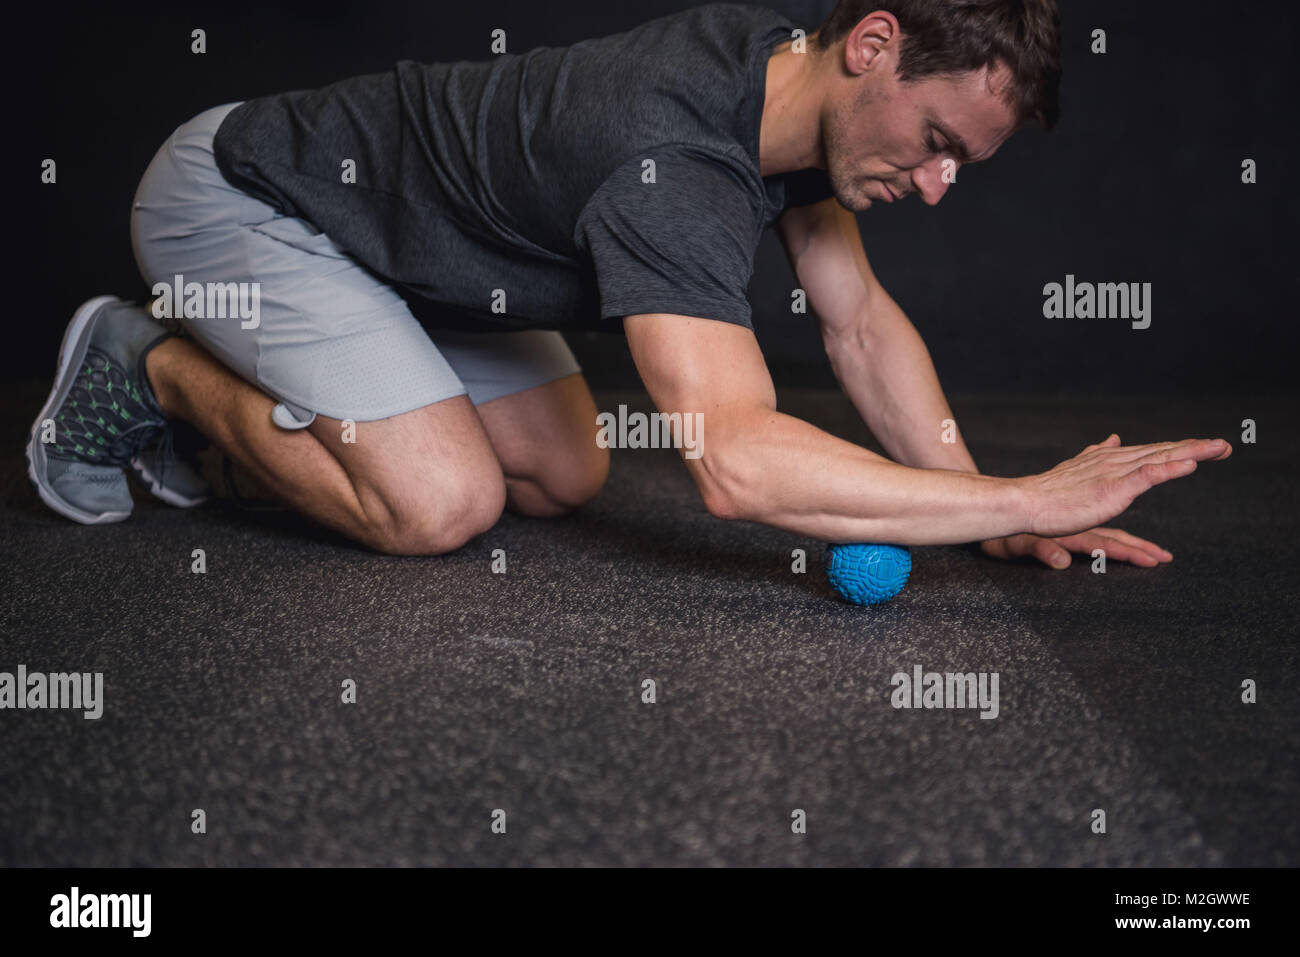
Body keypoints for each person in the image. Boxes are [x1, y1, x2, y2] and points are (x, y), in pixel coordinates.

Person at [27, 1, 1231, 567]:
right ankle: (160, 364)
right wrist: (1026, 502)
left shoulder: (793, 93)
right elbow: (737, 461)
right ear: (872, 45)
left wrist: (971, 498)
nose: (935, 185)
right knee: (442, 507)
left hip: (416, 257)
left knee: (564, 474)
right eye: (937, 142)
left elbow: (858, 325)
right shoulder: (676, 164)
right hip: (251, 196)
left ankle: (245, 435)